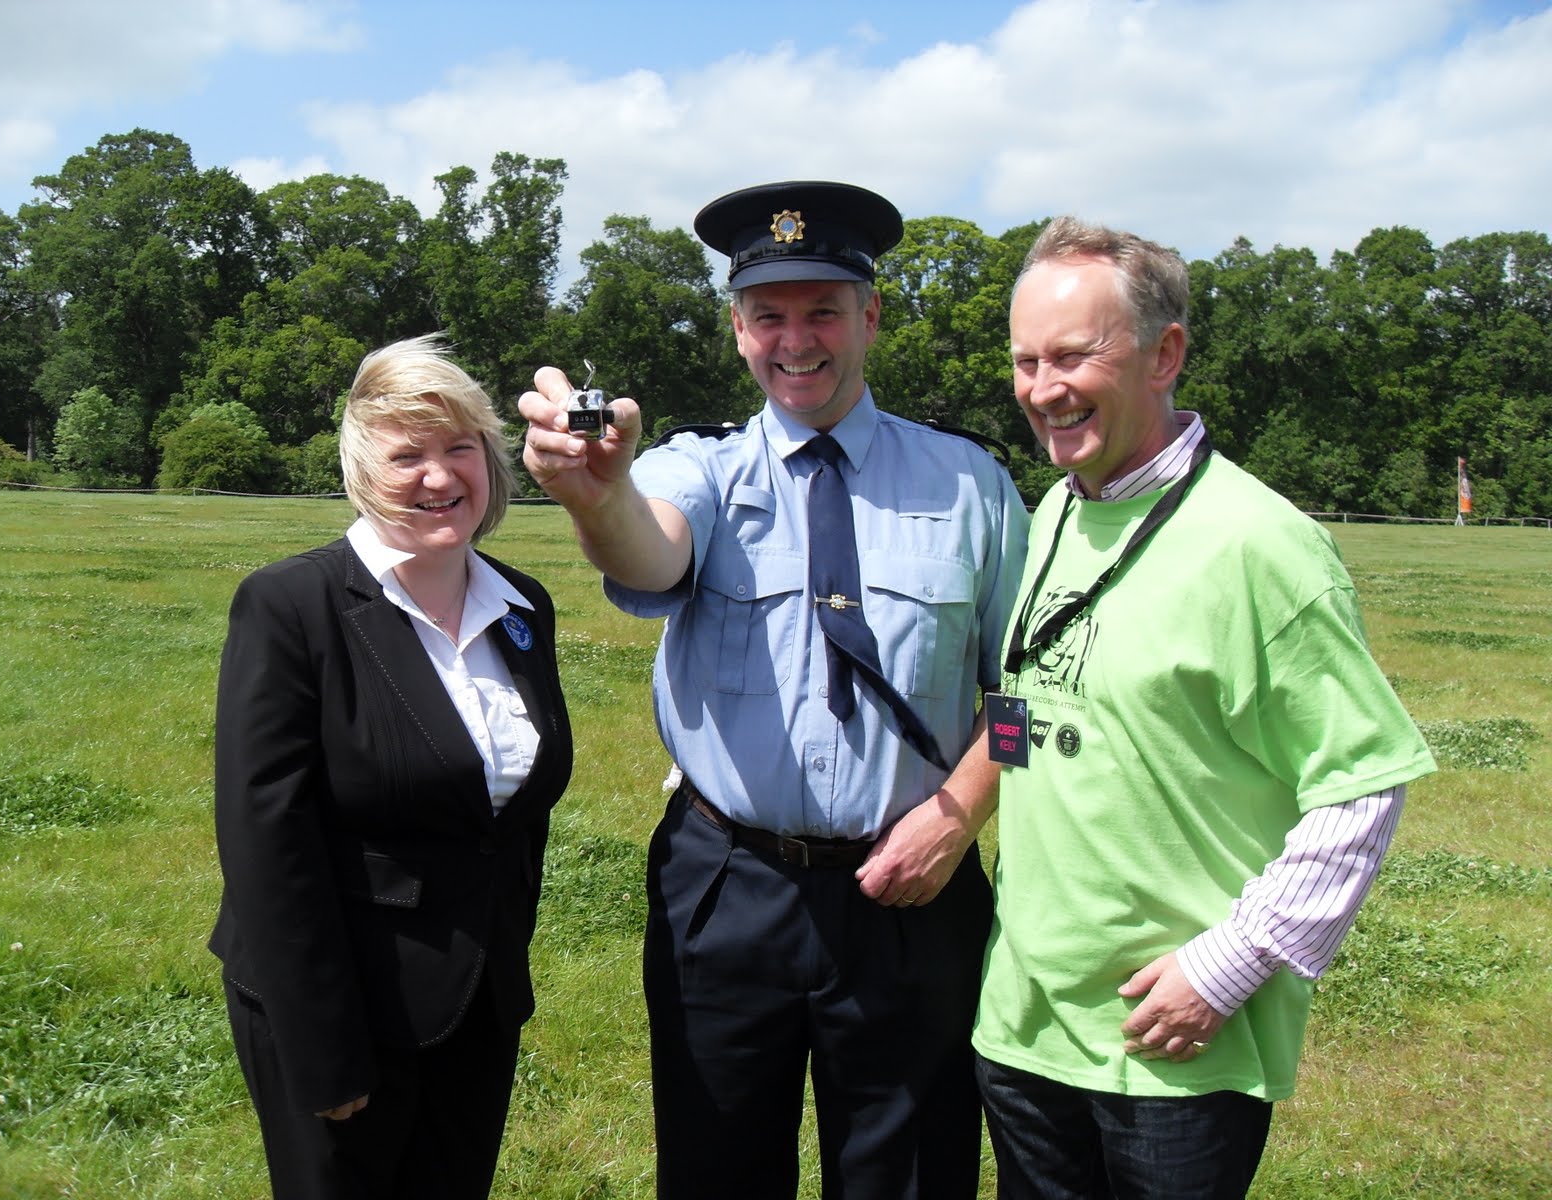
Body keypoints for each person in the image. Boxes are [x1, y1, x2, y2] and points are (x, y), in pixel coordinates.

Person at [519, 181, 1029, 1198]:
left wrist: (959, 815)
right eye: (768, 316)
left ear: (870, 316)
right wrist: (596, 496)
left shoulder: (971, 484)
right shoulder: (694, 470)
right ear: (737, 329)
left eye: (822, 311)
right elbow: (650, 554)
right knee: (716, 1171)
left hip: (911, 887)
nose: (795, 341)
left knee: (910, 1175)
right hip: (727, 885)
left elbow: (1026, 695)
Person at [971, 217, 1438, 1199]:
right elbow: (1028, 701)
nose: (1041, 388)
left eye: (1071, 355)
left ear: (1163, 353)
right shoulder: (1053, 510)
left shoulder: (1261, 547)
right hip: (1022, 1023)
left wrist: (1230, 964)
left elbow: (1362, 786)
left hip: (1171, 1043)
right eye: (1024, 360)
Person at [209, 334, 574, 1199]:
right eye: (407, 454)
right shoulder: (293, 605)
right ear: (361, 468)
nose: (440, 477)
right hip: (346, 1019)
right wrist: (324, 1051)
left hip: (479, 1010)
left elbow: (511, 824)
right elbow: (267, 842)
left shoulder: (523, 606)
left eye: (460, 449)